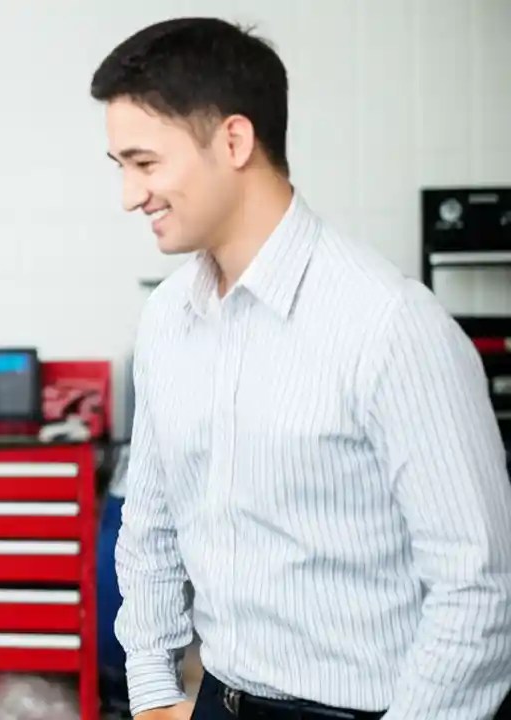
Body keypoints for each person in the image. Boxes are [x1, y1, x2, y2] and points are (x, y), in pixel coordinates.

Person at [90, 17, 511, 720]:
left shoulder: (390, 326)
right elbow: (151, 526)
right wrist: (154, 689)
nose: (130, 196)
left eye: (145, 163)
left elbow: (480, 592)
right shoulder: (167, 318)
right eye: (121, 168)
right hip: (219, 702)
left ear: (234, 140)